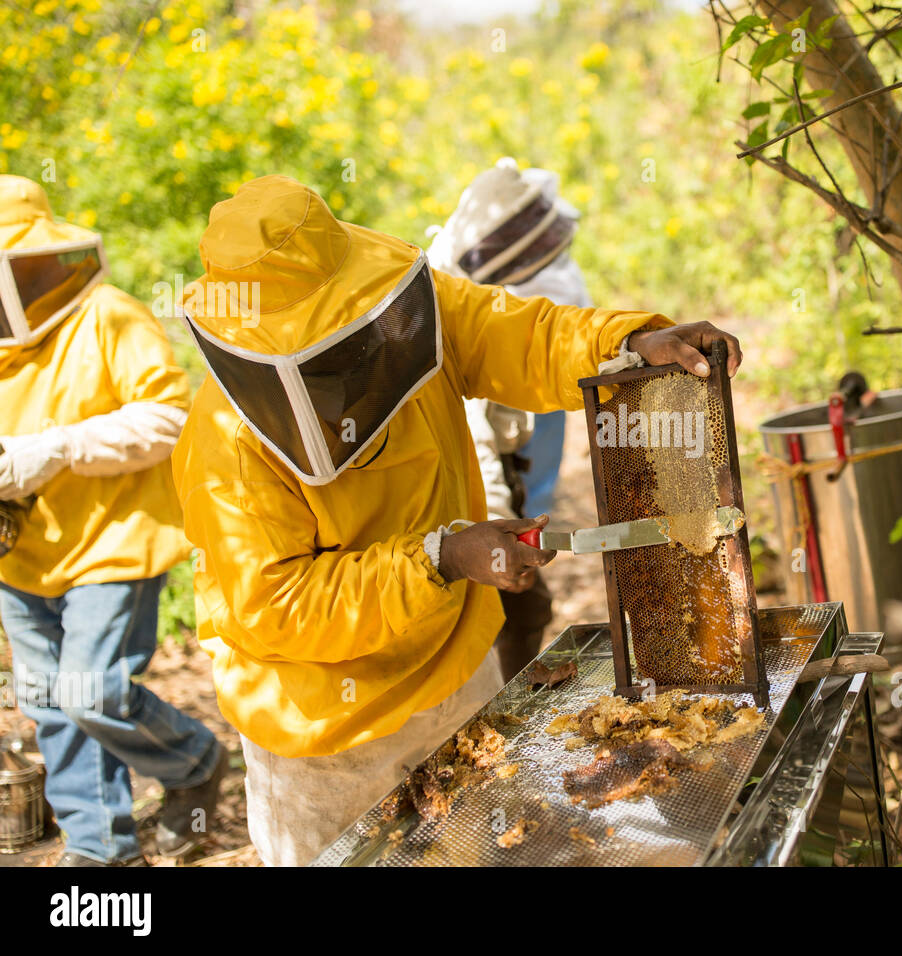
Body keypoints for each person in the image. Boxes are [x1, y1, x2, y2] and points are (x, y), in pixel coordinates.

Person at [171, 175, 741, 865]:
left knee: (485, 854)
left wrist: (626, 344)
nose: (351, 362)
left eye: (344, 335)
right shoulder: (226, 449)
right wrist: (439, 558)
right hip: (329, 741)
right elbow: (276, 607)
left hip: (455, 675)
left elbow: (517, 334)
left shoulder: (399, 312)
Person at [0, 175, 226, 866]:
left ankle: (194, 760)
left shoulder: (111, 316)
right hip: (22, 557)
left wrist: (58, 447)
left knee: (90, 693)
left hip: (114, 543)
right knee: (49, 703)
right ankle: (101, 849)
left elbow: (166, 420)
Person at [428, 158, 596, 677]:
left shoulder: (519, 228)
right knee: (502, 602)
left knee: (527, 603)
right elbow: (472, 441)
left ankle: (516, 683)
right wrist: (496, 530)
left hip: (518, 441)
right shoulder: (443, 316)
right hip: (467, 482)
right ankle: (507, 699)